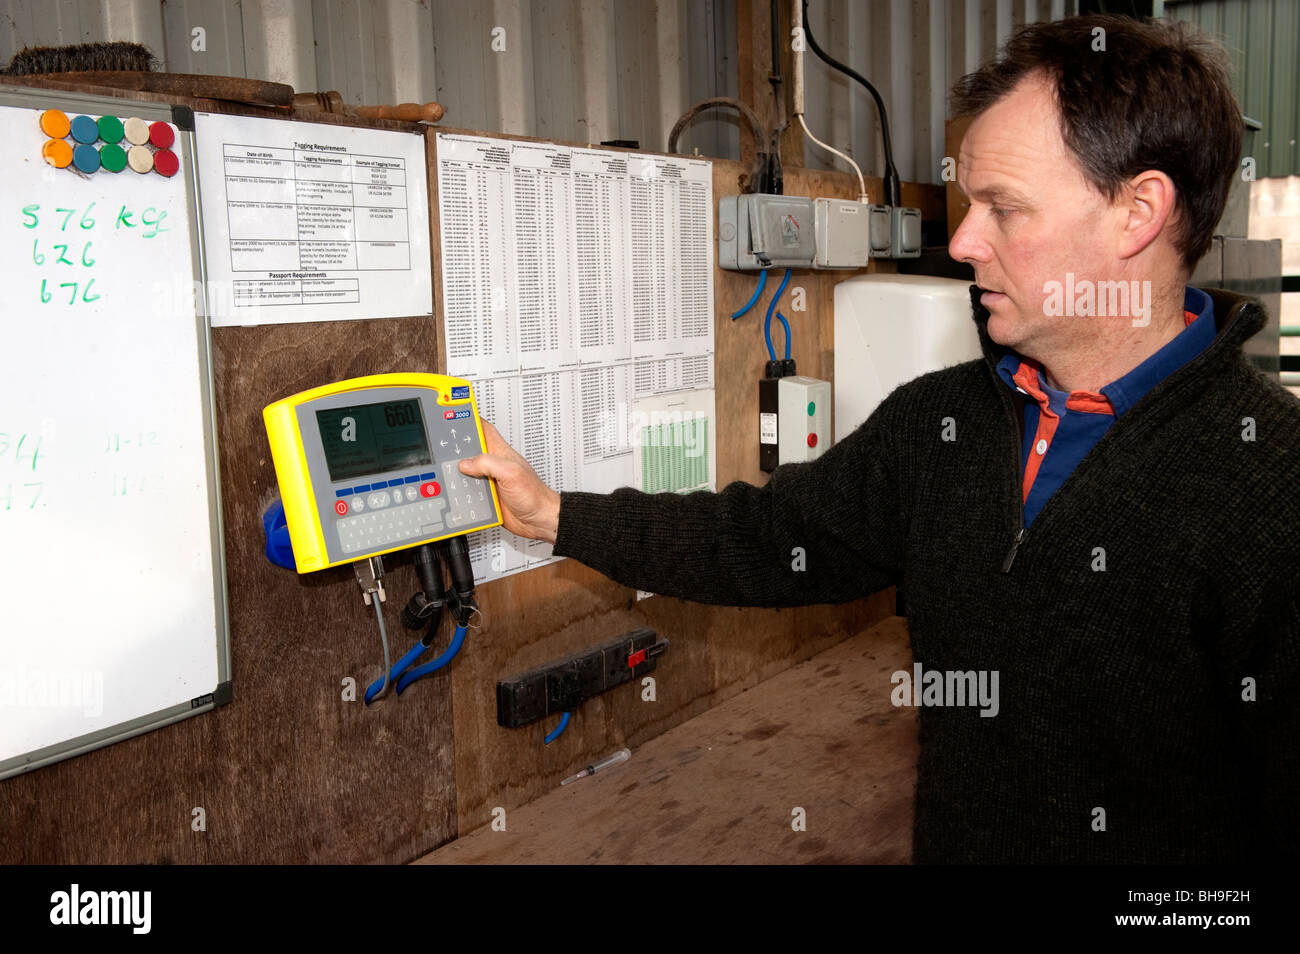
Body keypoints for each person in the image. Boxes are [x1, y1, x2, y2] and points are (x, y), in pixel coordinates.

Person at [459, 14, 1300, 863]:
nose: (964, 240)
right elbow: (766, 541)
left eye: (1002, 208)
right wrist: (555, 516)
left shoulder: (1272, 485)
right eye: (969, 202)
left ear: (1138, 213)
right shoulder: (944, 425)